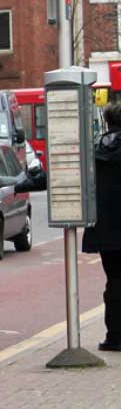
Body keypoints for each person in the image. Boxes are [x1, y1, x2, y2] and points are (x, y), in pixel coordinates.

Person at [83, 102, 121, 351]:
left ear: (107, 122)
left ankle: (114, 336)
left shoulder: (94, 149)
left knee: (114, 281)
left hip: (106, 231)